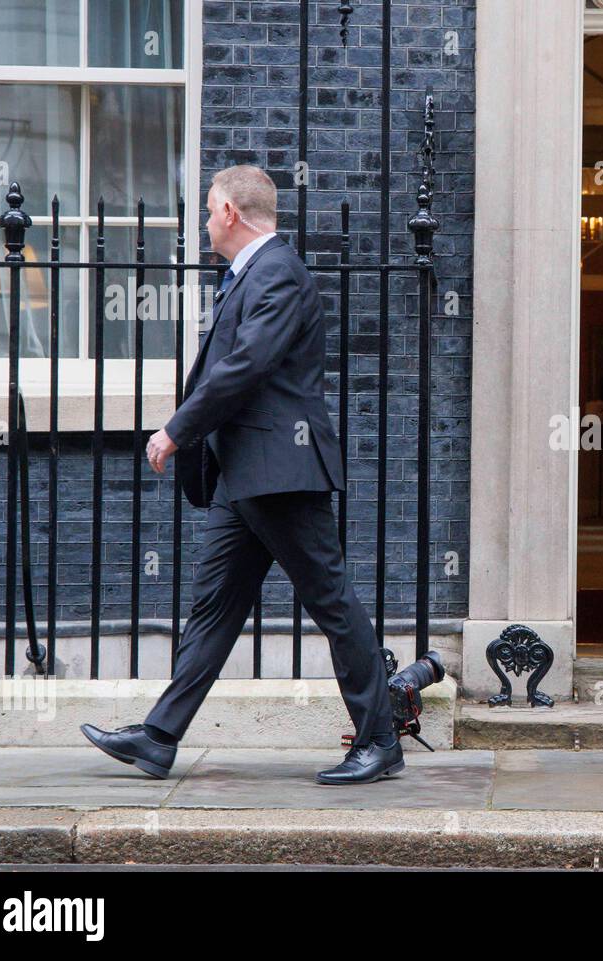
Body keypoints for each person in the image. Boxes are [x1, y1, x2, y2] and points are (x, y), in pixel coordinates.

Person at [80, 165, 402, 784]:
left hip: (280, 472)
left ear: (230, 212)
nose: (205, 223)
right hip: (243, 474)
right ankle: (159, 737)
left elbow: (246, 365)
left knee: (331, 602)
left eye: (208, 210)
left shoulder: (278, 271)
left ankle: (380, 740)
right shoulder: (252, 274)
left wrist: (177, 429)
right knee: (215, 608)